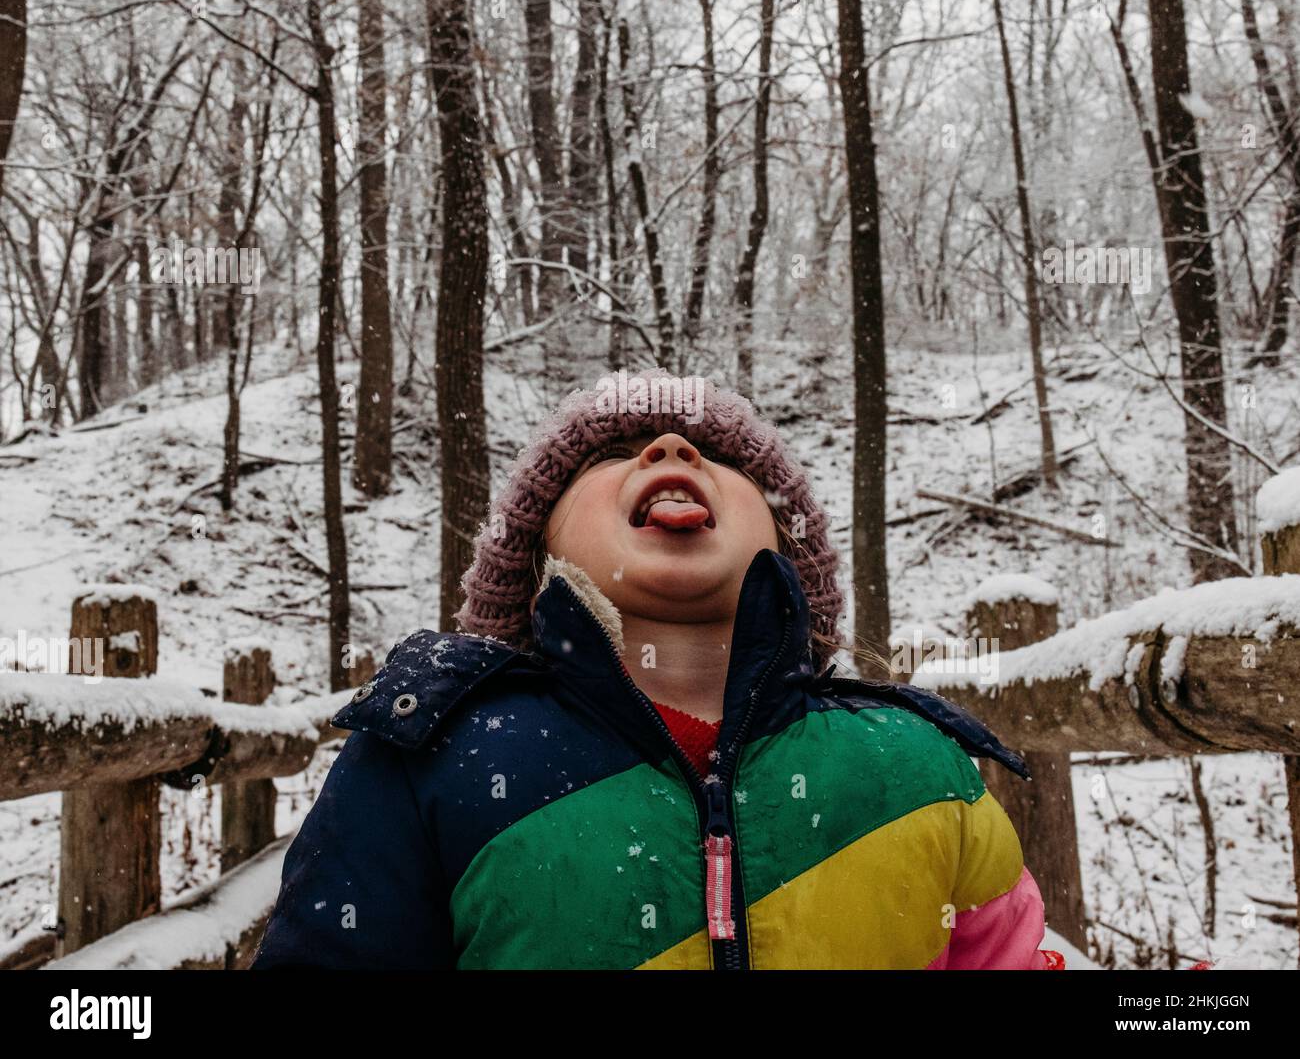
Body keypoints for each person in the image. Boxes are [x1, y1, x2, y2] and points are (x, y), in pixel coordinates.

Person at [252, 369, 1063, 970]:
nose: (671, 447)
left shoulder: (915, 765)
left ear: (786, 541)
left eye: (715, 452)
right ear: (537, 555)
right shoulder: (436, 759)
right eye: (609, 453)